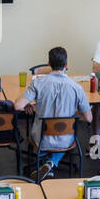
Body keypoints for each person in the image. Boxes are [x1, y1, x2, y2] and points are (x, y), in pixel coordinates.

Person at [13, 45, 92, 176]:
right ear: (66, 65)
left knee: (43, 130)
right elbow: (89, 118)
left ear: (49, 63)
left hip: (42, 138)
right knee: (65, 134)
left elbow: (18, 106)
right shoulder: (77, 88)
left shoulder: (38, 83)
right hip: (65, 139)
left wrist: (29, 105)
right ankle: (50, 163)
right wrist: (72, 114)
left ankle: (47, 162)